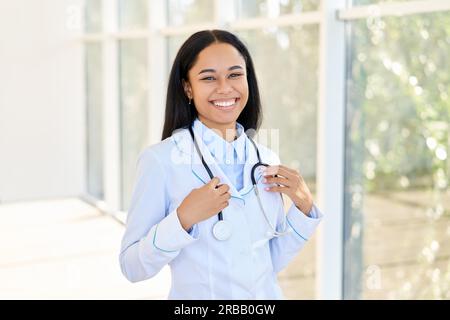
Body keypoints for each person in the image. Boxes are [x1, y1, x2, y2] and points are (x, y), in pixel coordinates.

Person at [119, 29, 323, 299]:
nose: (225, 88)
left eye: (235, 75)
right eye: (209, 78)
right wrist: (183, 219)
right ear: (187, 87)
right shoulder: (160, 161)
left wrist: (304, 207)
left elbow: (267, 264)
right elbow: (132, 267)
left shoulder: (266, 162)